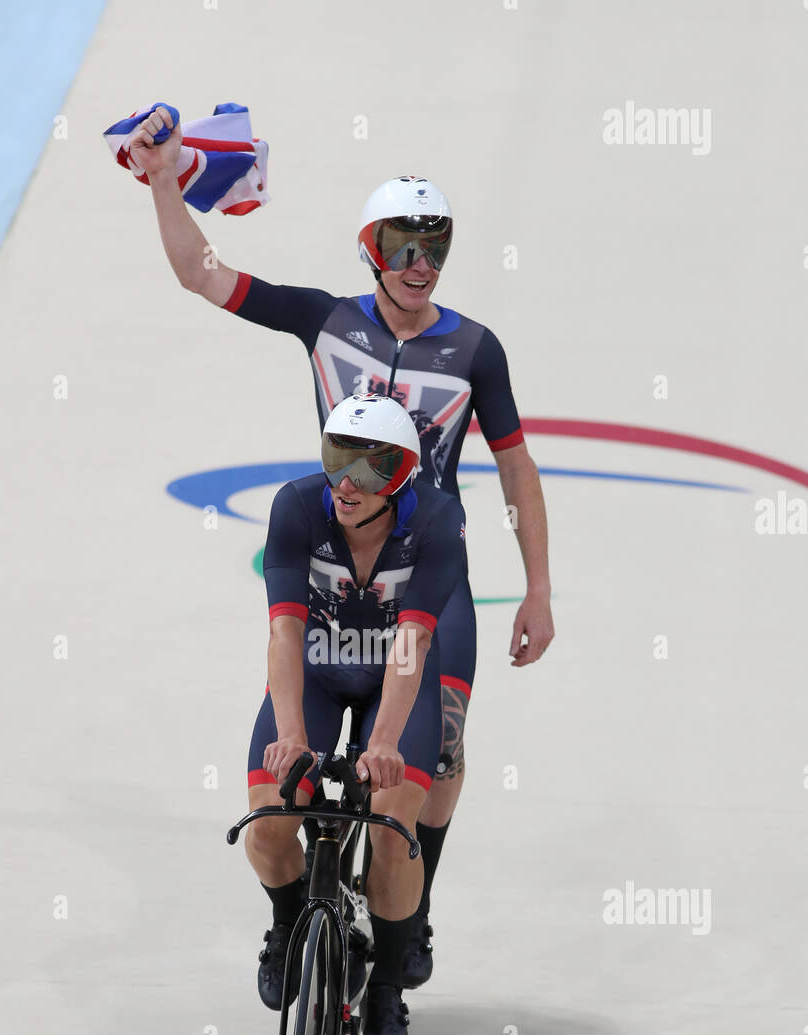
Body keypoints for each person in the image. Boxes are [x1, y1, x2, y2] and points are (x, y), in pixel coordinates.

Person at [128, 109, 554, 989]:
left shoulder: (475, 350)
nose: (419, 265)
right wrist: (167, 180)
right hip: (335, 559)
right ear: (370, 246)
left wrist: (539, 588)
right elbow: (200, 273)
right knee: (287, 788)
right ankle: (293, 924)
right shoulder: (324, 321)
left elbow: (517, 472)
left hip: (427, 570)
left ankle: (412, 909)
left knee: (434, 774)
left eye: (434, 247)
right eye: (401, 245)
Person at [247, 393, 466, 1035]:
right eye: (336, 458)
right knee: (266, 825)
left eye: (367, 470)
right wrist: (290, 735)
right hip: (316, 674)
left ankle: (389, 983)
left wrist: (384, 743)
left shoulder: (436, 520)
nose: (346, 483)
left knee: (395, 830)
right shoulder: (294, 505)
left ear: (399, 477)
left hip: (395, 678)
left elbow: (414, 643)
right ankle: (289, 923)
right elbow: (284, 632)